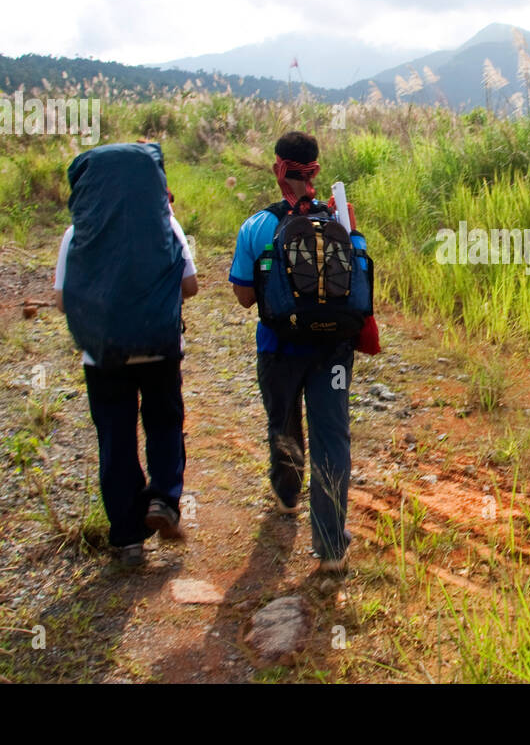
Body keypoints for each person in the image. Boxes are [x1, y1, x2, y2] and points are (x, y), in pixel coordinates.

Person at [229, 131, 377, 575]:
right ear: (314, 169)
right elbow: (359, 284)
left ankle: (287, 496)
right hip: (332, 351)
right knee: (332, 438)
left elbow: (243, 297)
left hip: (279, 349)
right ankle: (331, 546)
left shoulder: (257, 226)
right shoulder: (341, 220)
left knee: (284, 423)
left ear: (279, 169)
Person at [55, 163, 198, 568]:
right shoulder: (166, 225)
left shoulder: (76, 233)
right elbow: (190, 286)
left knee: (115, 439)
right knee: (165, 423)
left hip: (103, 356)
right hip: (159, 348)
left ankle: (128, 540)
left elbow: (63, 301)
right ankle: (164, 500)